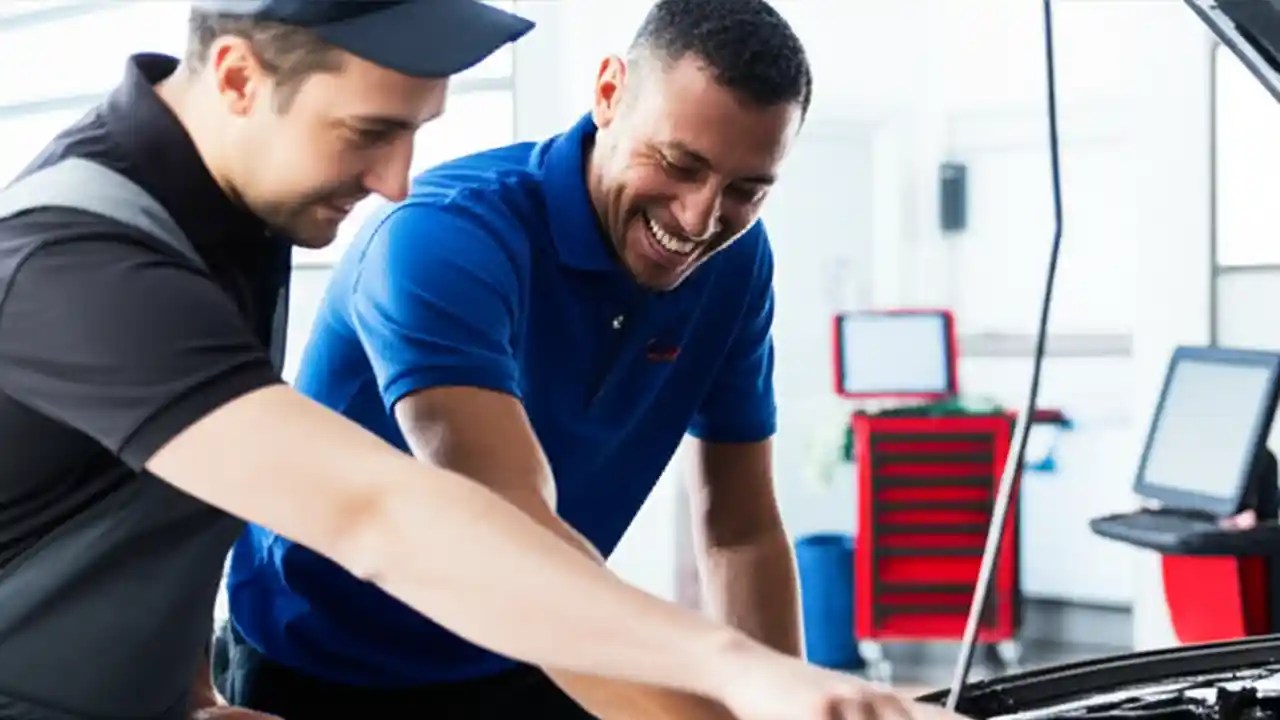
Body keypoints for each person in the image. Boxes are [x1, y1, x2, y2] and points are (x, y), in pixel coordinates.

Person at [0, 1, 967, 720]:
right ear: (241, 80)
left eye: (414, 130)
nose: (396, 179)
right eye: (371, 132)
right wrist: (742, 676)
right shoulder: (78, 263)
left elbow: (159, 500)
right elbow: (384, 513)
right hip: (325, 663)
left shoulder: (223, 219)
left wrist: (193, 696)